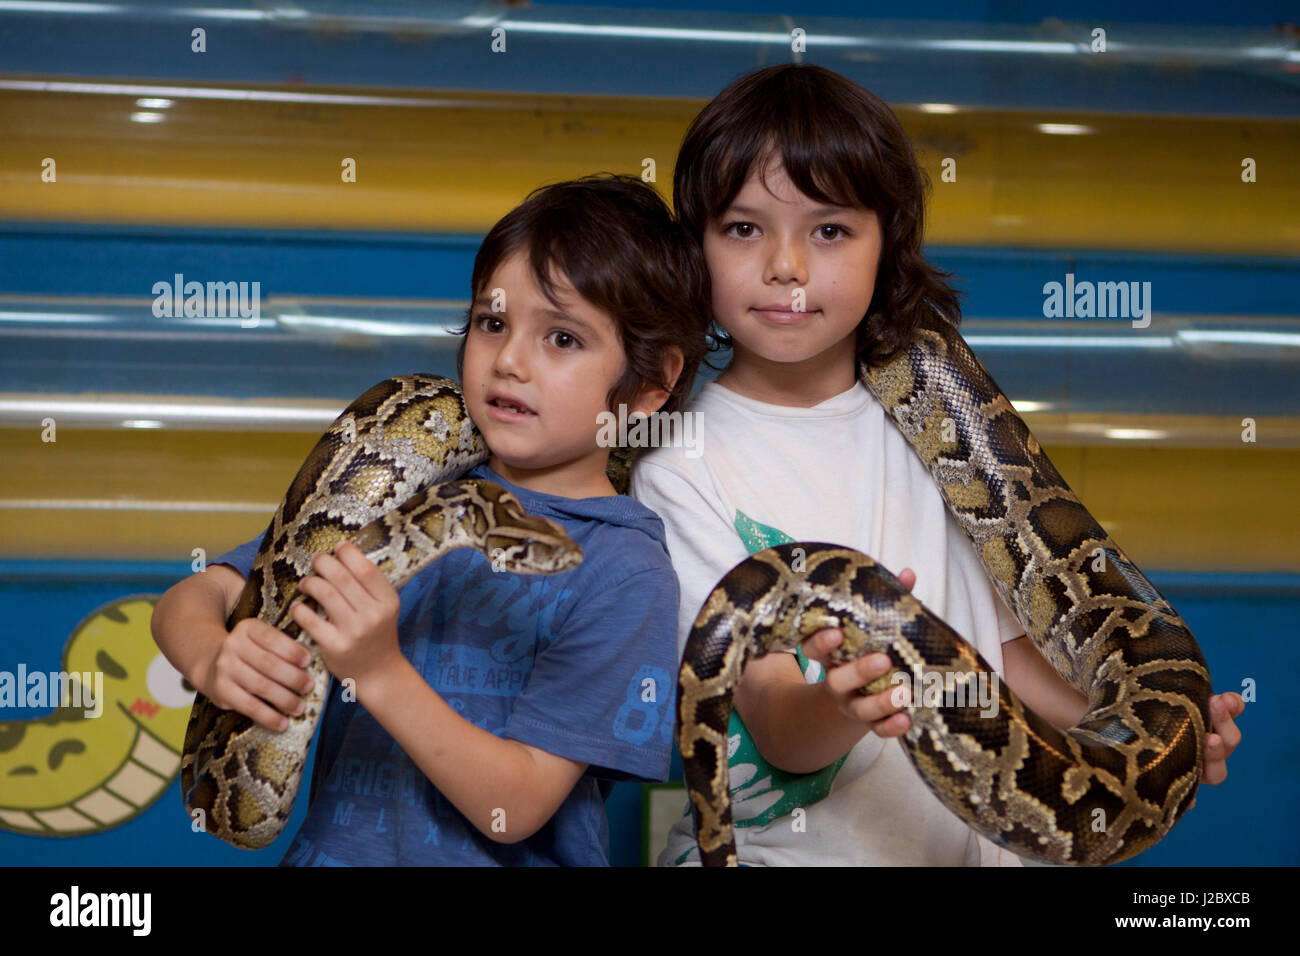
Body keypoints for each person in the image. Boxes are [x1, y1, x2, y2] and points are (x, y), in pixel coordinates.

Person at [630, 64, 1245, 866]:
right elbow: (774, 719)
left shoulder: (936, 436)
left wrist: (1146, 738)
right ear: (694, 247)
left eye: (830, 231)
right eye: (743, 229)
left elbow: (1001, 658)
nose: (786, 265)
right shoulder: (679, 465)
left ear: (888, 248)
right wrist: (853, 702)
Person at [151, 174, 711, 865]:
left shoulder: (625, 570)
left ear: (652, 387)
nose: (509, 360)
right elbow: (202, 593)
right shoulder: (406, 500)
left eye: (562, 338)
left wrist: (377, 672)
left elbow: (518, 808)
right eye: (492, 322)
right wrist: (212, 654)